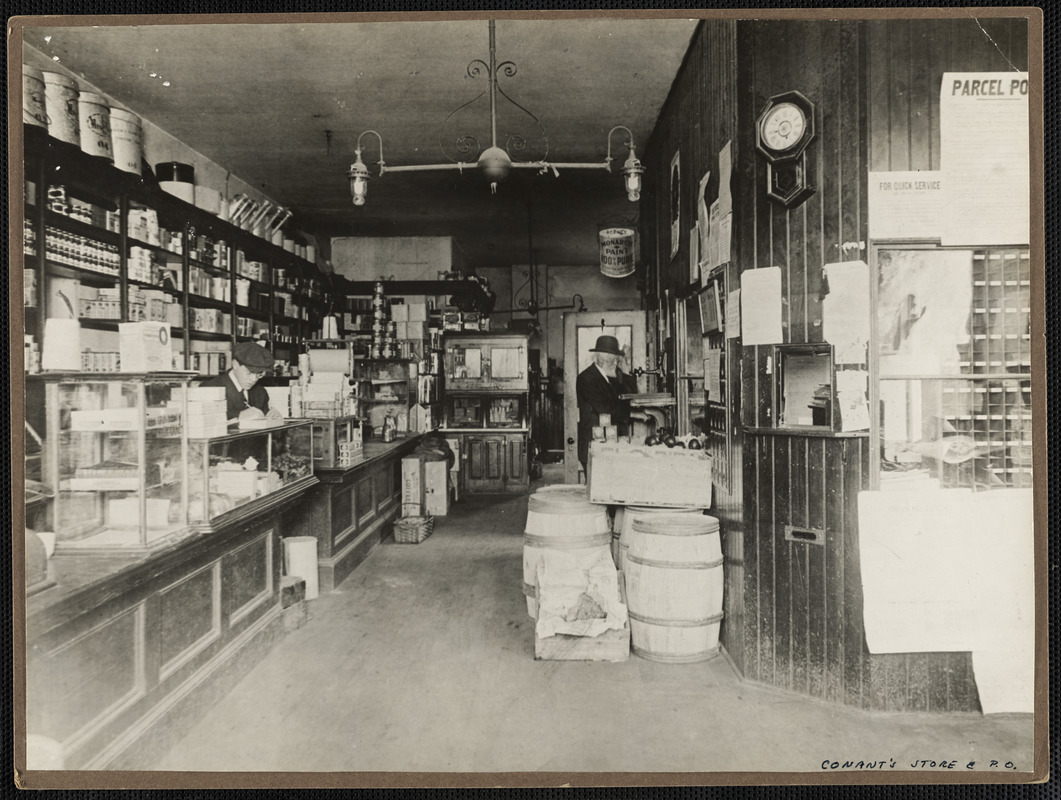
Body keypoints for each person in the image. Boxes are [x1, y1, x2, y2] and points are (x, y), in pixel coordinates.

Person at [575, 334, 638, 472]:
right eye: (613, 360)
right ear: (601, 359)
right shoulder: (587, 378)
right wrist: (632, 413)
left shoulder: (611, 377)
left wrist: (625, 372)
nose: (616, 364)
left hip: (609, 445)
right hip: (595, 446)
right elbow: (606, 408)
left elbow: (630, 393)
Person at [201, 341, 284, 425]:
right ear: (235, 364)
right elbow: (203, 426)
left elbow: (265, 432)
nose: (254, 379)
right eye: (249, 373)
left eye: (259, 374)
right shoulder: (209, 389)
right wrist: (238, 417)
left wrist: (275, 423)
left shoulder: (261, 393)